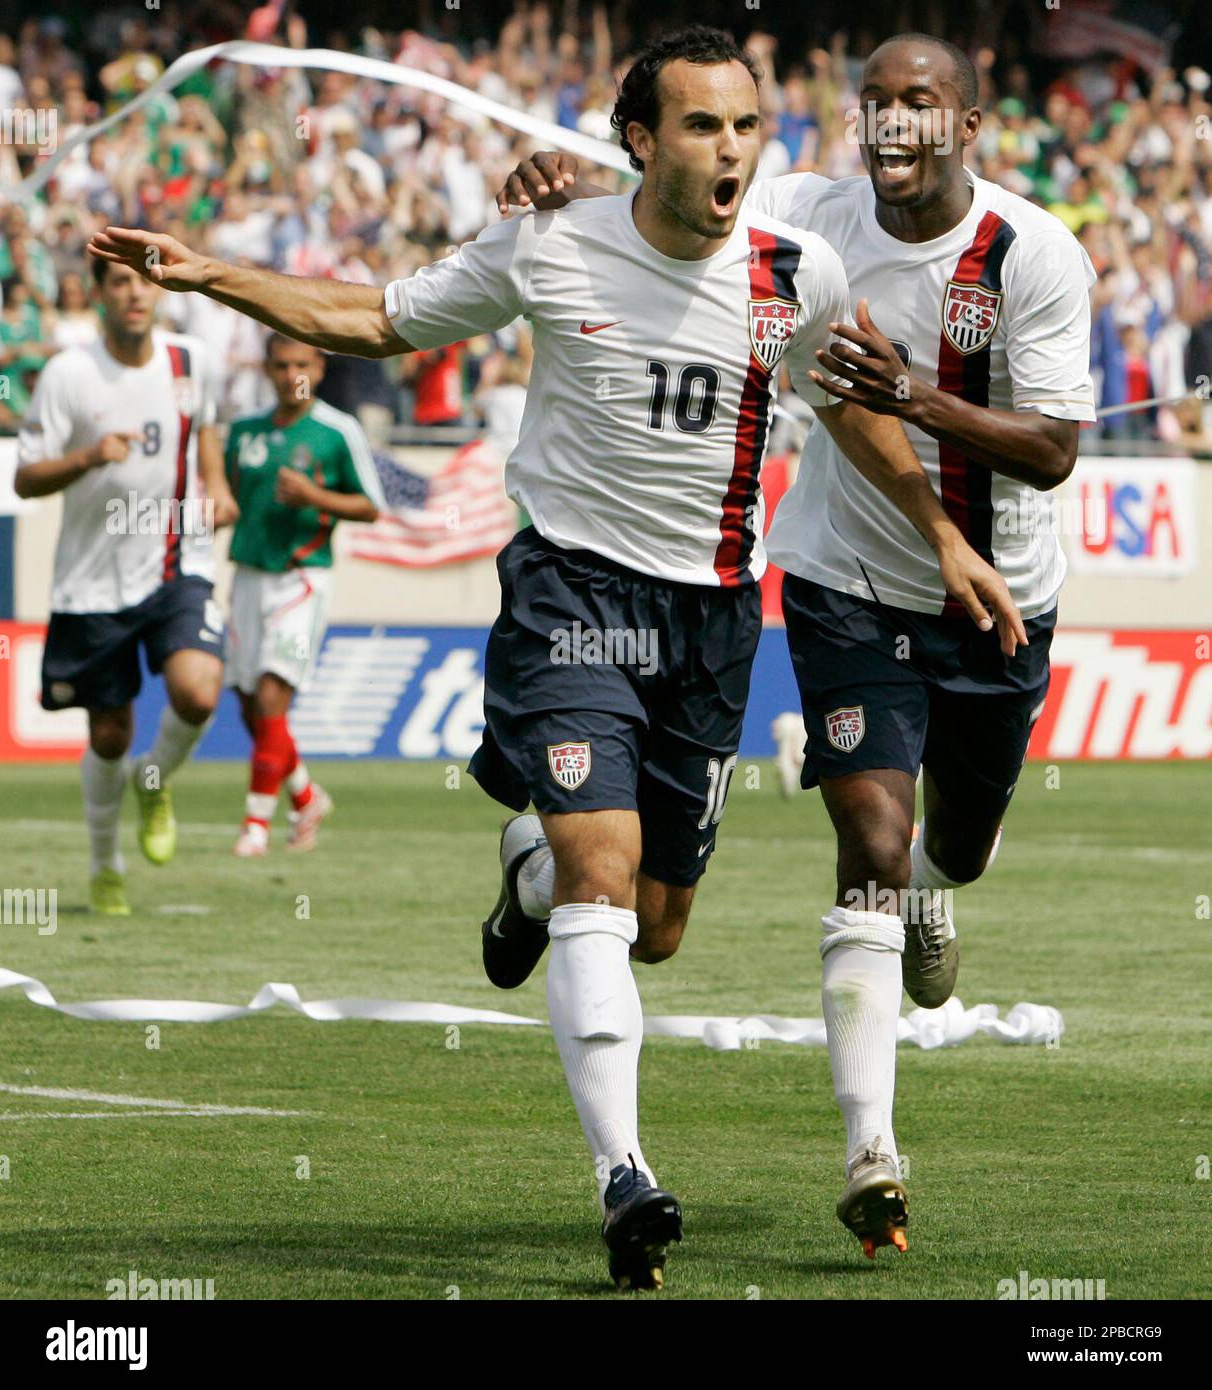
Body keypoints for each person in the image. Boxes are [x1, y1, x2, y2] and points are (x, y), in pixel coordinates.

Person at [87, 25, 1022, 1289]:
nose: (729, 148)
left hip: (709, 622)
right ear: (639, 141)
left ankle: (524, 874)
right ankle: (623, 1176)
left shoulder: (793, 271)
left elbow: (848, 407)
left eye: (746, 126)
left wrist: (943, 538)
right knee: (605, 868)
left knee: (656, 925)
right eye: (700, 125)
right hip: (569, 596)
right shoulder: (549, 241)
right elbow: (375, 315)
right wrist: (211, 274)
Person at [499, 30, 1095, 1258]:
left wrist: (911, 396)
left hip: (996, 595)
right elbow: (657, 196)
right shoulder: (794, 209)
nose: (891, 123)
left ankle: (930, 894)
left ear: (966, 125)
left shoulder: (1036, 253)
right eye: (873, 102)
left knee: (948, 854)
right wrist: (556, 189)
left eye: (918, 104)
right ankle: (871, 1145)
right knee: (869, 841)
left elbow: (1048, 451)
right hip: (840, 577)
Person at [14, 255, 237, 915]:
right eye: (120, 281)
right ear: (99, 293)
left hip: (177, 561)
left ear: (160, 288)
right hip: (92, 583)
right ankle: (104, 863)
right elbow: (25, 477)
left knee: (197, 691)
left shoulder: (190, 360)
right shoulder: (69, 373)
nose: (136, 292)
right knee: (109, 734)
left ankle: (155, 780)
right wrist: (87, 456)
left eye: (146, 279)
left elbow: (207, 434)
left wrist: (218, 487)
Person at [224, 333, 382, 856]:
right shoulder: (244, 431)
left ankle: (255, 825)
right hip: (247, 576)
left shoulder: (338, 431)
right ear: (267, 370)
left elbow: (371, 505)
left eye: (302, 364)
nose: (292, 373)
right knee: (251, 707)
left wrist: (314, 496)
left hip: (303, 578)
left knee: (273, 695)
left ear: (318, 367)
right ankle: (307, 796)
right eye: (280, 364)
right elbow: (223, 493)